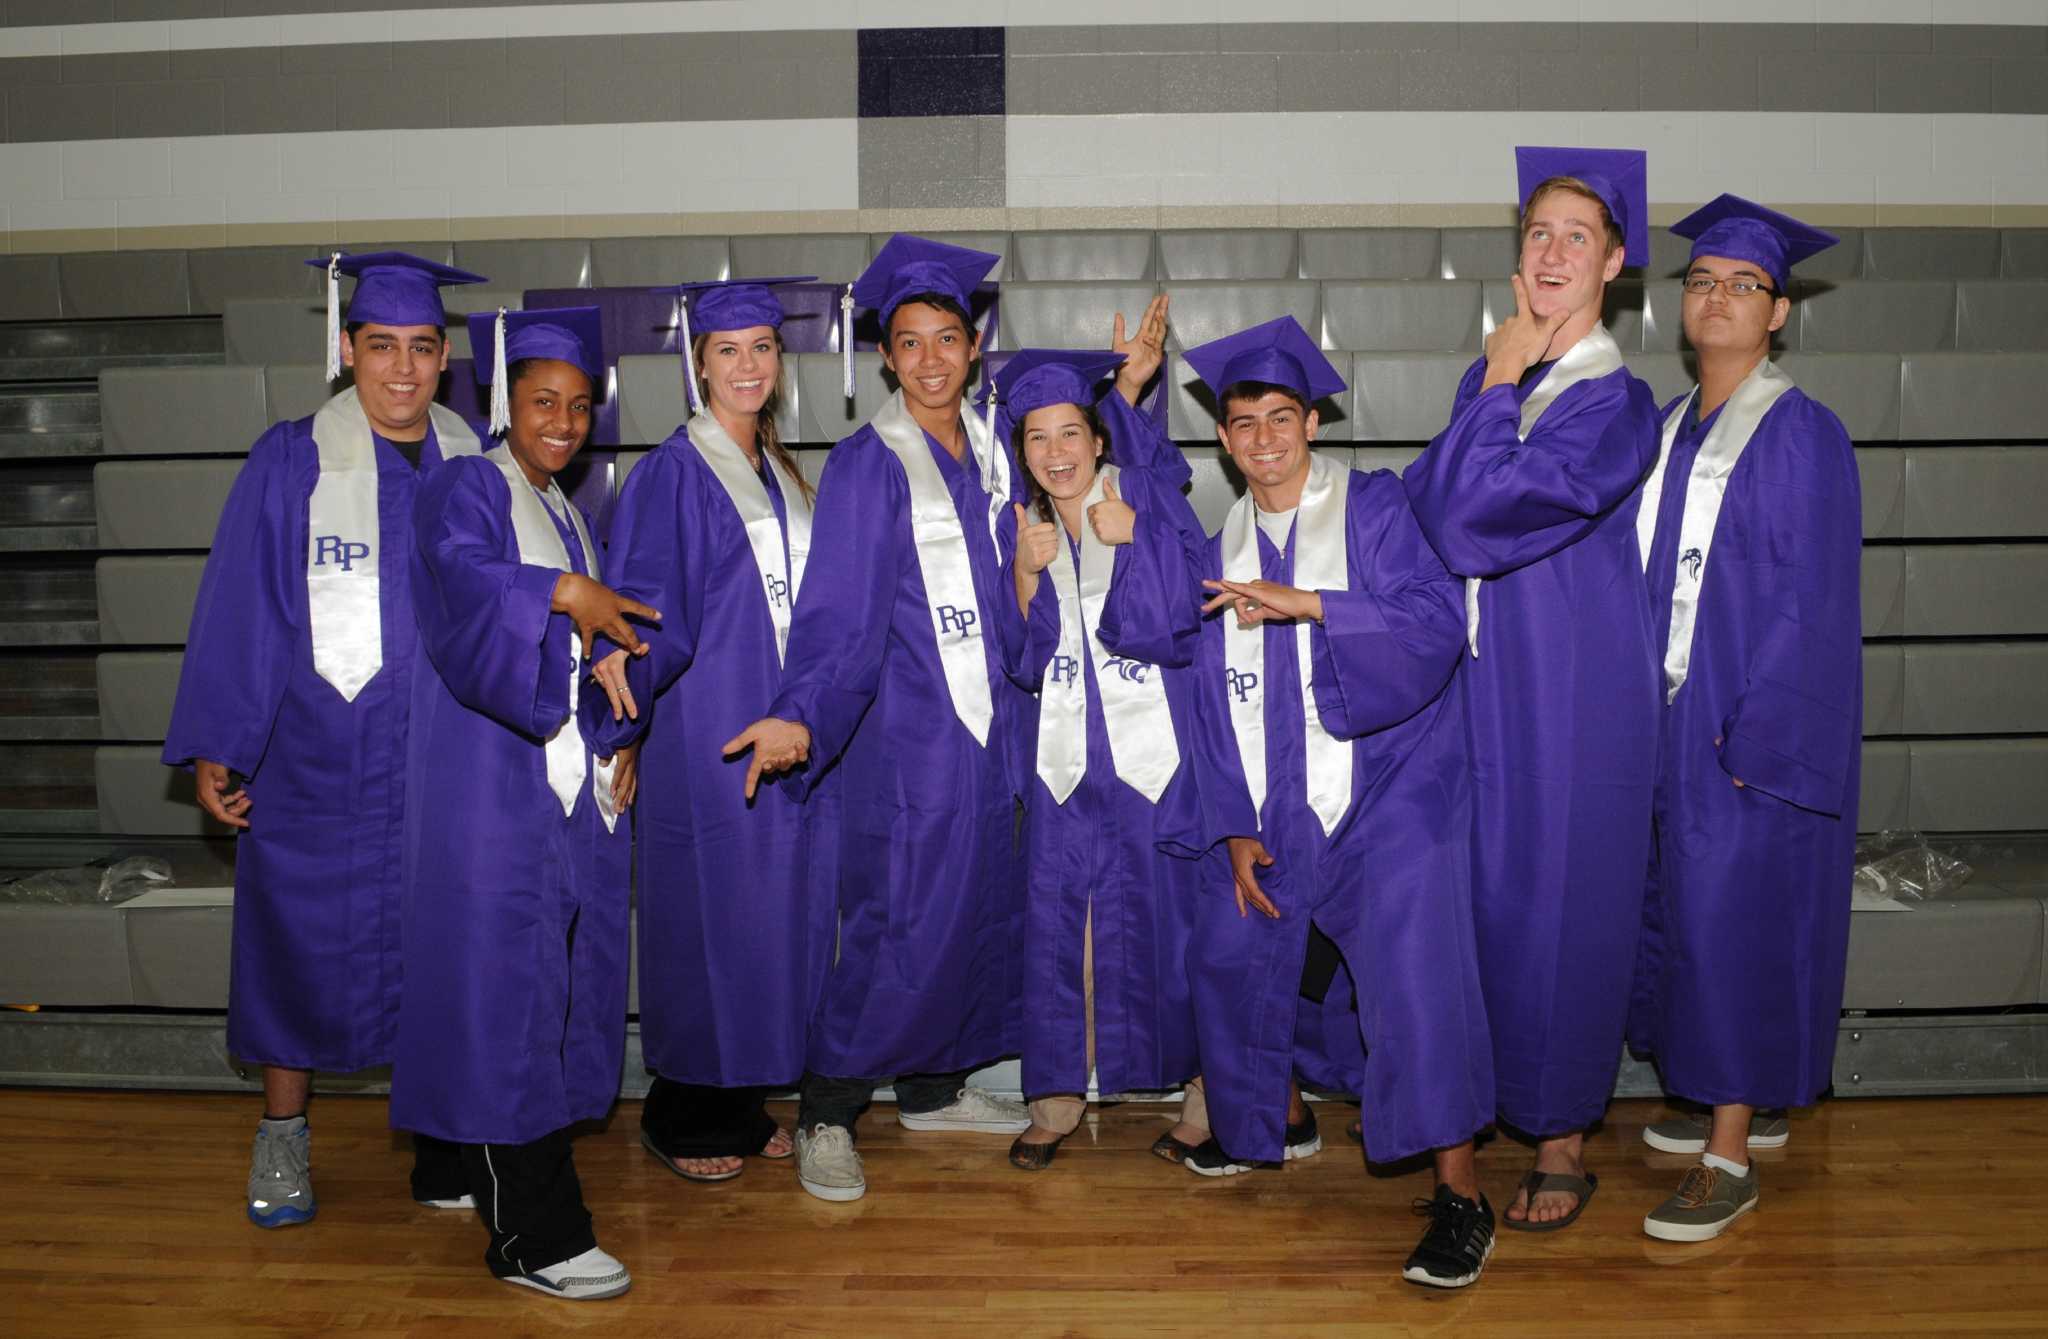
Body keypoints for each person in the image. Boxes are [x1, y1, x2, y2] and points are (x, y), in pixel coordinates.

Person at [1110, 316, 1498, 1288]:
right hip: (1276, 801)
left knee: (1416, 976)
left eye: (1281, 417)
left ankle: (1460, 1194)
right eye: (1242, 424)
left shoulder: (1369, 507)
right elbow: (1207, 698)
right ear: (1225, 440)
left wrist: (1311, 603)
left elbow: (1433, 621)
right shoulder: (1220, 543)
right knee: (1233, 935)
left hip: (1389, 787)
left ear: (1313, 422)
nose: (1263, 439)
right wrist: (1235, 824)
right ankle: (1270, 1116)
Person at [160, 250, 488, 1228]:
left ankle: (446, 1140)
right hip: (315, 754)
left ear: (443, 357)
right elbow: (242, 606)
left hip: (444, 759)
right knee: (292, 942)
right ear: (347, 351)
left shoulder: (476, 465)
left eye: (420, 348)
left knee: (448, 944)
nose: (400, 369)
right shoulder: (292, 457)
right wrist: (222, 741)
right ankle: (282, 1137)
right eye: (380, 346)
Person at [724, 235, 1032, 1204]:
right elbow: (839, 617)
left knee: (977, 915)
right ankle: (825, 1109)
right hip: (906, 746)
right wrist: (799, 713)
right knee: (897, 925)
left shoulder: (996, 450)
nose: (932, 358)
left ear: (972, 347)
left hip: (992, 739)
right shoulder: (867, 464)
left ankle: (933, 1087)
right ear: (888, 357)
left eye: (948, 338)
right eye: (910, 342)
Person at [1403, 146, 1662, 1232]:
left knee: (1563, 904)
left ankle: (1559, 1137)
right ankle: (1475, 1112)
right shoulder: (1494, 378)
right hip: (1477, 679)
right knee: (1480, 900)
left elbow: (1466, 516)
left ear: (1611, 262)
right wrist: (1496, 383)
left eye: (1574, 236)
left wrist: (1501, 379)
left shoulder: (1614, 400)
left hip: (1567, 694)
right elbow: (1428, 502)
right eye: (1535, 234)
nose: (1550, 251)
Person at [391, 305, 651, 1301]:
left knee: (527, 989)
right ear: (506, 402)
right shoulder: (470, 483)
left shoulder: (565, 507)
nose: (563, 420)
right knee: (505, 1000)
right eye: (544, 400)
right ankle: (532, 1237)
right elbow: (465, 591)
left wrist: (615, 723)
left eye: (579, 406)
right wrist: (563, 596)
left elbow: (579, 651)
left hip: (548, 787)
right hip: (485, 785)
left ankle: (451, 1162)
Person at [1625, 196, 1863, 1242]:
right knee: (1679, 916)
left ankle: (1729, 1149)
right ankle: (1725, 1096)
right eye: (1701, 281)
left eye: (1742, 285)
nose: (1717, 297)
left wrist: (1752, 739)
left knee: (1732, 919)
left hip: (1740, 730)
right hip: (1659, 723)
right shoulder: (1662, 429)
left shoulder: (1801, 433)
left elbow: (1808, 607)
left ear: (1775, 313)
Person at [586, 277, 828, 1183]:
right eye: (728, 351)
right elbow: (645, 617)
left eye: (763, 348)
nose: (748, 365)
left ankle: (739, 1097)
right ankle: (682, 1110)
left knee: (766, 925)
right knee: (709, 923)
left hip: (776, 735)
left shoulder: (778, 470)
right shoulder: (670, 475)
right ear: (698, 365)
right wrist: (624, 721)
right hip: (706, 738)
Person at [994, 307, 1209, 1171]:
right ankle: (1052, 1101)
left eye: (1070, 431)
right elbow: (1017, 662)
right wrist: (1022, 573)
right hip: (1062, 762)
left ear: (1096, 433)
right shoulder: (1021, 526)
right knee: (1058, 932)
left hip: (1152, 756)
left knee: (1177, 929)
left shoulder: (1143, 496)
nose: (1056, 452)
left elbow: (1184, 617)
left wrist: (1141, 538)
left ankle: (1202, 1095)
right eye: (1037, 437)